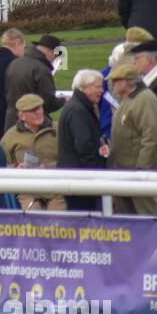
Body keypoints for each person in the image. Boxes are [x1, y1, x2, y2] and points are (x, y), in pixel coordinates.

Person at [106, 64, 157, 216]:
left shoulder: (145, 99)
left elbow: (151, 136)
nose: (112, 86)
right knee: (126, 218)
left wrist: (142, 169)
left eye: (115, 81)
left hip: (139, 175)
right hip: (124, 173)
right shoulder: (129, 99)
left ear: (125, 83)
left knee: (146, 215)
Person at [0, 94, 63, 211]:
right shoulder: (10, 137)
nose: (38, 113)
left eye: (39, 108)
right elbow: (2, 164)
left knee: (56, 220)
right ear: (22, 116)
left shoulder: (59, 130)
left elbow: (69, 160)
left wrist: (48, 168)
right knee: (32, 219)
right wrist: (16, 168)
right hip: (26, 190)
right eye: (33, 110)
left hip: (56, 189)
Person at [57, 69, 107, 212]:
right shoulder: (77, 110)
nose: (101, 91)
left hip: (77, 176)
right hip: (80, 179)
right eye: (98, 87)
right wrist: (96, 174)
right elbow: (85, 146)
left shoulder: (79, 107)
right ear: (84, 88)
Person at [3, 33, 64, 133]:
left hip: (11, 123)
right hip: (32, 126)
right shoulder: (42, 69)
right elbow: (47, 103)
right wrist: (63, 101)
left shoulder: (14, 63)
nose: (54, 60)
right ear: (51, 52)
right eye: (55, 56)